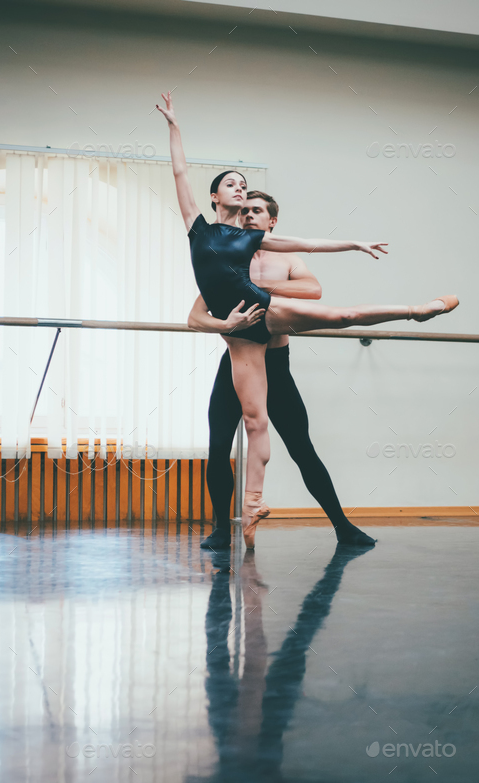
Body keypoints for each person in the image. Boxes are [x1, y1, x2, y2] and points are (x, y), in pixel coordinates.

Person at [155, 91, 459, 549]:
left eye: (249, 191)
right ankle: (235, 522)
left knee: (342, 320)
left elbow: (312, 245)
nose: (242, 192)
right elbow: (179, 174)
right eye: (233, 185)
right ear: (215, 195)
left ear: (269, 221)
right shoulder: (201, 230)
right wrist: (175, 127)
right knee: (242, 432)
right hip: (240, 342)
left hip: (268, 325)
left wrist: (356, 244)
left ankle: (418, 309)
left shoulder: (257, 245)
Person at [188, 190, 376, 549]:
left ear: (271, 222)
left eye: (256, 211)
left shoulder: (285, 258)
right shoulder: (225, 260)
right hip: (238, 363)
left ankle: (343, 527)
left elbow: (313, 289)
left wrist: (257, 288)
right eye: (243, 211)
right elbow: (197, 315)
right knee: (218, 447)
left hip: (275, 363)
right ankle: (219, 531)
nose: (248, 216)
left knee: (301, 447)